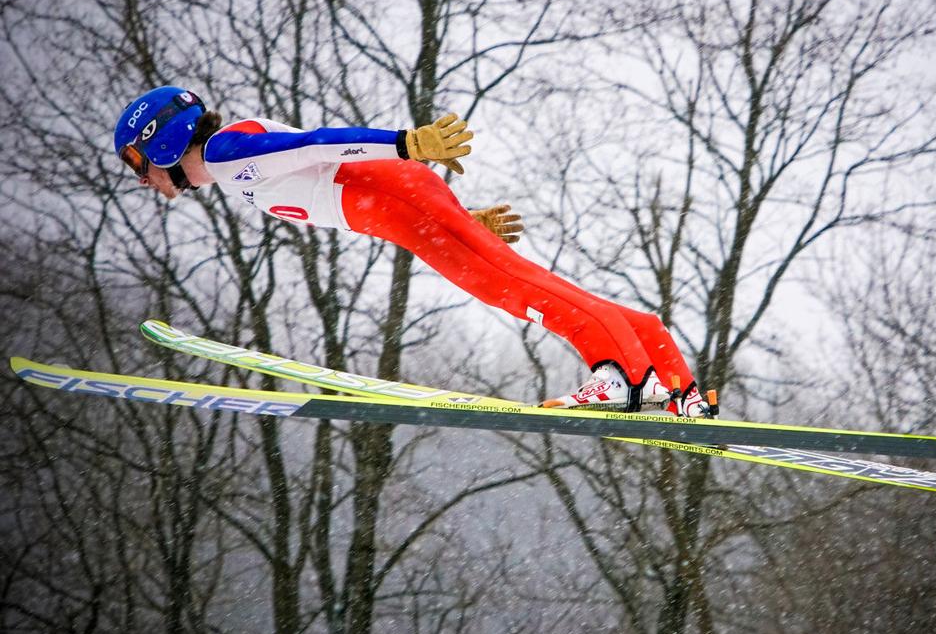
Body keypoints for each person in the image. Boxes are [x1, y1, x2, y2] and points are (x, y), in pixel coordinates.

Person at [113, 86, 706, 415]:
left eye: (138, 164)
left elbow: (318, 144)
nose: (144, 180)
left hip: (402, 199)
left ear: (160, 142)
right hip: (405, 211)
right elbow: (322, 167)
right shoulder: (231, 163)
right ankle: (673, 384)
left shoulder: (225, 153)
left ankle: (622, 376)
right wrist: (453, 218)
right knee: (511, 280)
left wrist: (405, 144)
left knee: (513, 282)